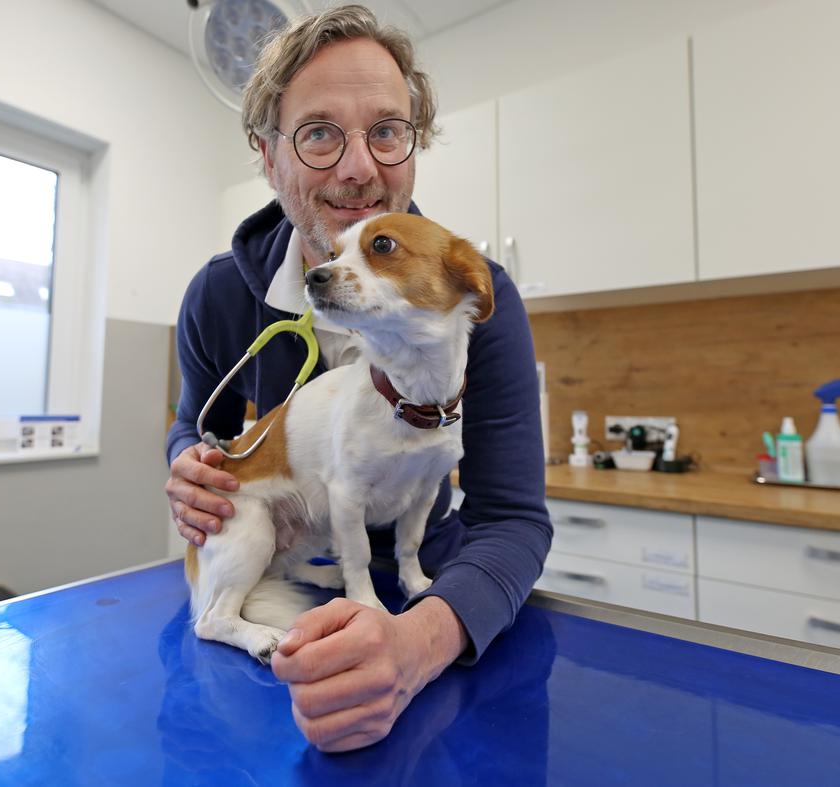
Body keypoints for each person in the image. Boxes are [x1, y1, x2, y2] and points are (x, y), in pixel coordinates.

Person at [164, 4, 551, 752]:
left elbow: (512, 518)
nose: (359, 167)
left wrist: (420, 642)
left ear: (413, 145)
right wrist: (187, 463)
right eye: (318, 133)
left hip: (426, 605)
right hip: (268, 591)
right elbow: (195, 423)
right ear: (267, 154)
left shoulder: (475, 296)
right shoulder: (216, 298)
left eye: (386, 130)